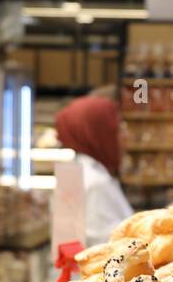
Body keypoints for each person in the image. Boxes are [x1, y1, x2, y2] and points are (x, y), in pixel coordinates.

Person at [53, 85, 133, 248]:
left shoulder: (75, 172)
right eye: (118, 130)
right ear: (98, 135)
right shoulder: (96, 183)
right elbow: (111, 248)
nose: (125, 136)